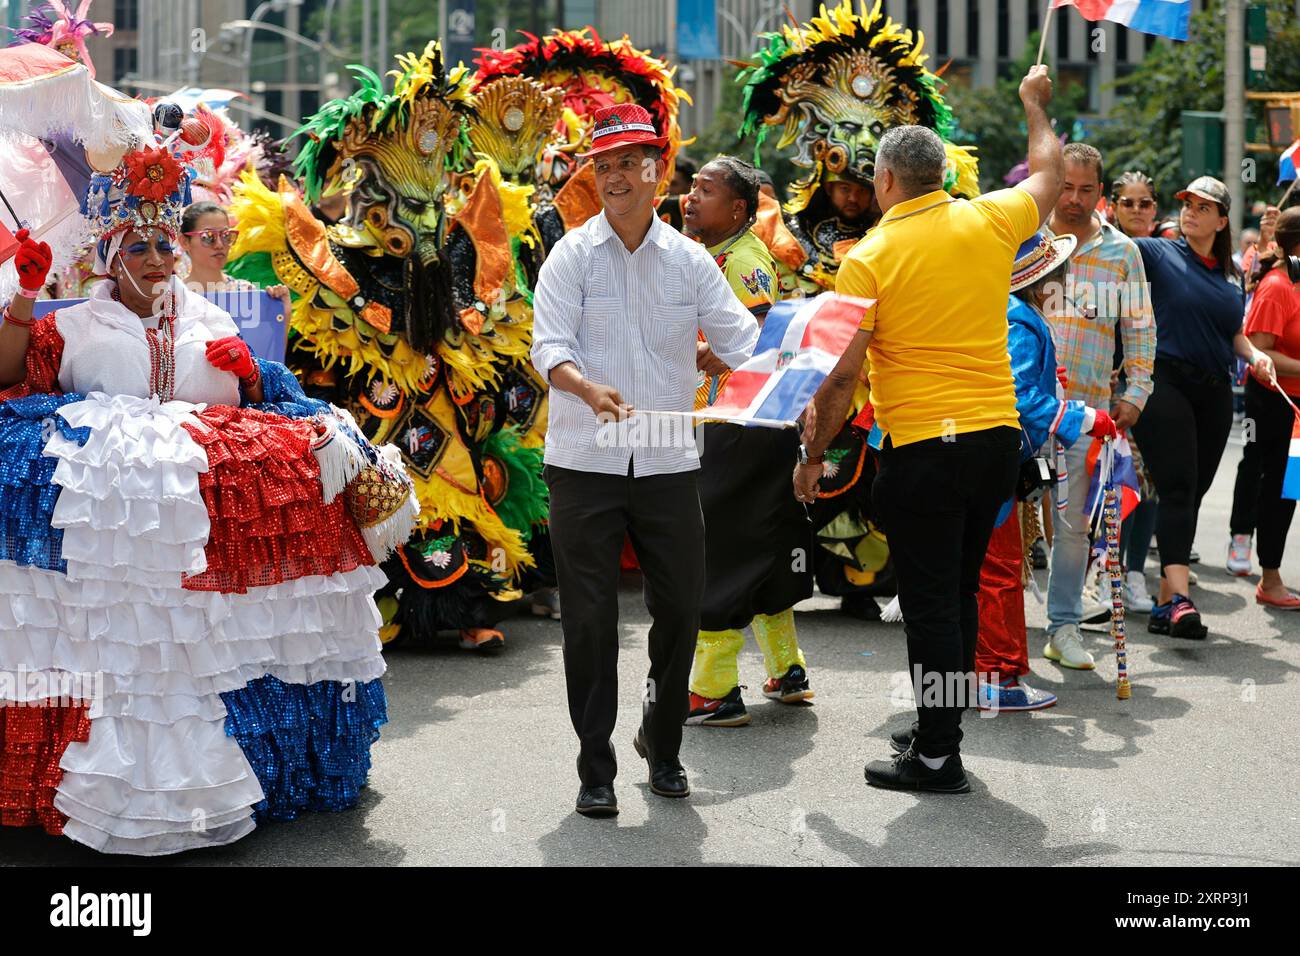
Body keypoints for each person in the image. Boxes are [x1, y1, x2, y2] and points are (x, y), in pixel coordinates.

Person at [0, 135, 410, 854]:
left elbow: (267, 405)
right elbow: (12, 383)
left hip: (207, 529)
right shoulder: (71, 324)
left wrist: (251, 374)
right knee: (133, 650)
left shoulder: (214, 318)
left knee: (202, 646)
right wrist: (23, 301)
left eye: (165, 247)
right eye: (140, 250)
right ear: (110, 257)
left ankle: (242, 765)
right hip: (117, 533)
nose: (157, 262)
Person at [796, 64, 1063, 793]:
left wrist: (812, 454)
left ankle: (939, 753)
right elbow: (1051, 169)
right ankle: (940, 729)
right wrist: (1034, 105)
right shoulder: (989, 218)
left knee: (932, 607)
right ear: (939, 173)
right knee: (959, 594)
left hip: (925, 450)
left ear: (885, 181)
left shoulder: (870, 258)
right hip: (993, 445)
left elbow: (844, 377)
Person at [530, 104, 759, 818]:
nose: (616, 176)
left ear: (659, 173)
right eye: (604, 165)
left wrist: (785, 371)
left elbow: (744, 339)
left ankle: (662, 747)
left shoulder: (690, 260)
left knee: (680, 613)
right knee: (590, 620)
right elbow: (547, 347)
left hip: (666, 462)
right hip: (583, 460)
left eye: (630, 162)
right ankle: (593, 767)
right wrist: (584, 386)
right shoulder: (571, 254)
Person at [680, 156, 814, 727]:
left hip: (736, 425)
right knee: (759, 545)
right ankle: (787, 670)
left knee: (718, 550)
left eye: (704, 190)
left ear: (737, 208)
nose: (689, 197)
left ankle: (713, 689)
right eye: (690, 187)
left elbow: (761, 335)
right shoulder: (714, 255)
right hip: (742, 424)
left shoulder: (743, 258)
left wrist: (717, 349)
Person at [1131, 177, 1276, 639]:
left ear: (1222, 219)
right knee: (1178, 485)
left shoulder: (1230, 276)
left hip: (1214, 391)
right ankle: (1179, 600)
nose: (1191, 211)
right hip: (1165, 379)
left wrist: (1255, 355)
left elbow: (1232, 334)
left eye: (1203, 205)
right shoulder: (1157, 252)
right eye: (1187, 204)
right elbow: (1109, 244)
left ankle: (1161, 606)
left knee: (1192, 494)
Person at [1041, 144, 1154, 669]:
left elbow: (1139, 330)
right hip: (1016, 405)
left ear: (1101, 195)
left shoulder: (1122, 253)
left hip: (1084, 414)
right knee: (992, 520)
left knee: (1073, 529)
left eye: (1087, 190)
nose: (1074, 199)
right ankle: (988, 633)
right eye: (1065, 186)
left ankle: (1062, 628)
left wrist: (1135, 394)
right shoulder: (1026, 240)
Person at [1228, 207, 1300, 606]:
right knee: (1279, 490)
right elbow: (1258, 351)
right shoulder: (1275, 287)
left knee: (1289, 489)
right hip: (1275, 403)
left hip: (1295, 403)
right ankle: (1269, 579)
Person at [180, 201, 291, 310]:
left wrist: (282, 311)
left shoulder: (246, 293)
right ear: (185, 242)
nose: (219, 245)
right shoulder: (174, 297)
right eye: (208, 237)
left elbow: (265, 329)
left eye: (226, 236)